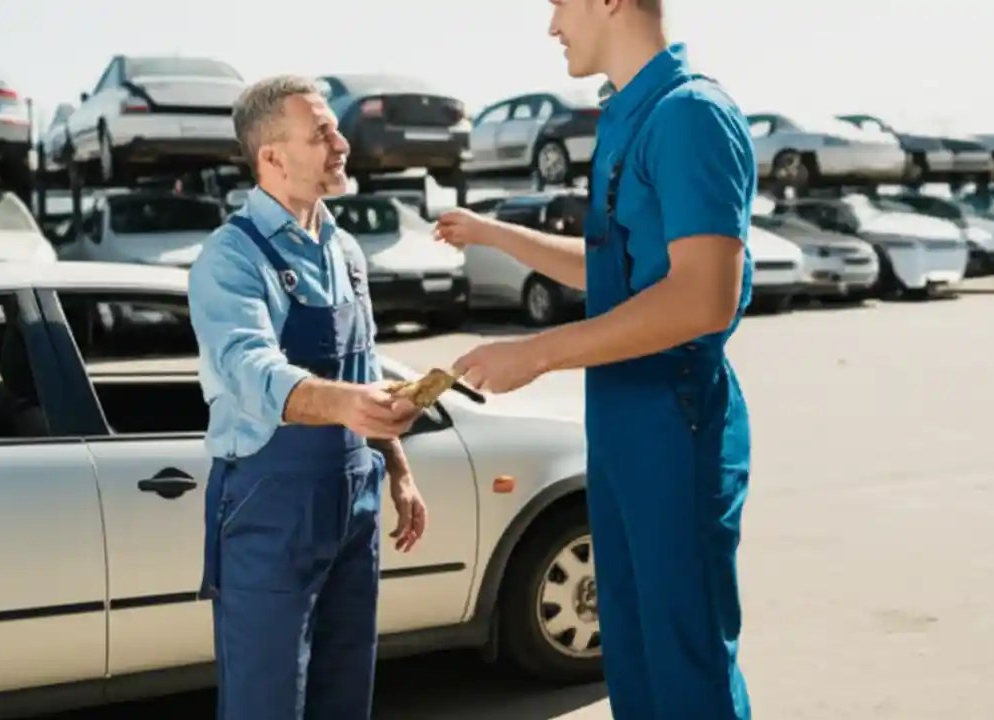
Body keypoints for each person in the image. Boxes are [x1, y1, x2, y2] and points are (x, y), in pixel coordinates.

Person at [436, 2, 756, 718]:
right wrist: (497, 235)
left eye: (558, 4)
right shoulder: (628, 117)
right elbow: (619, 272)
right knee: (636, 668)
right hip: (620, 421)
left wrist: (538, 354)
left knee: (684, 672)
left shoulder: (689, 116)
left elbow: (702, 296)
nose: (552, 26)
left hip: (675, 423)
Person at [188, 74, 429, 720]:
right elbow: (249, 369)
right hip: (272, 511)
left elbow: (365, 361)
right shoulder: (229, 260)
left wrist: (398, 470)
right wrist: (348, 404)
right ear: (272, 157)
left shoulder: (345, 251)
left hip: (354, 502)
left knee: (344, 699)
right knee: (266, 705)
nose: (341, 142)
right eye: (321, 133)